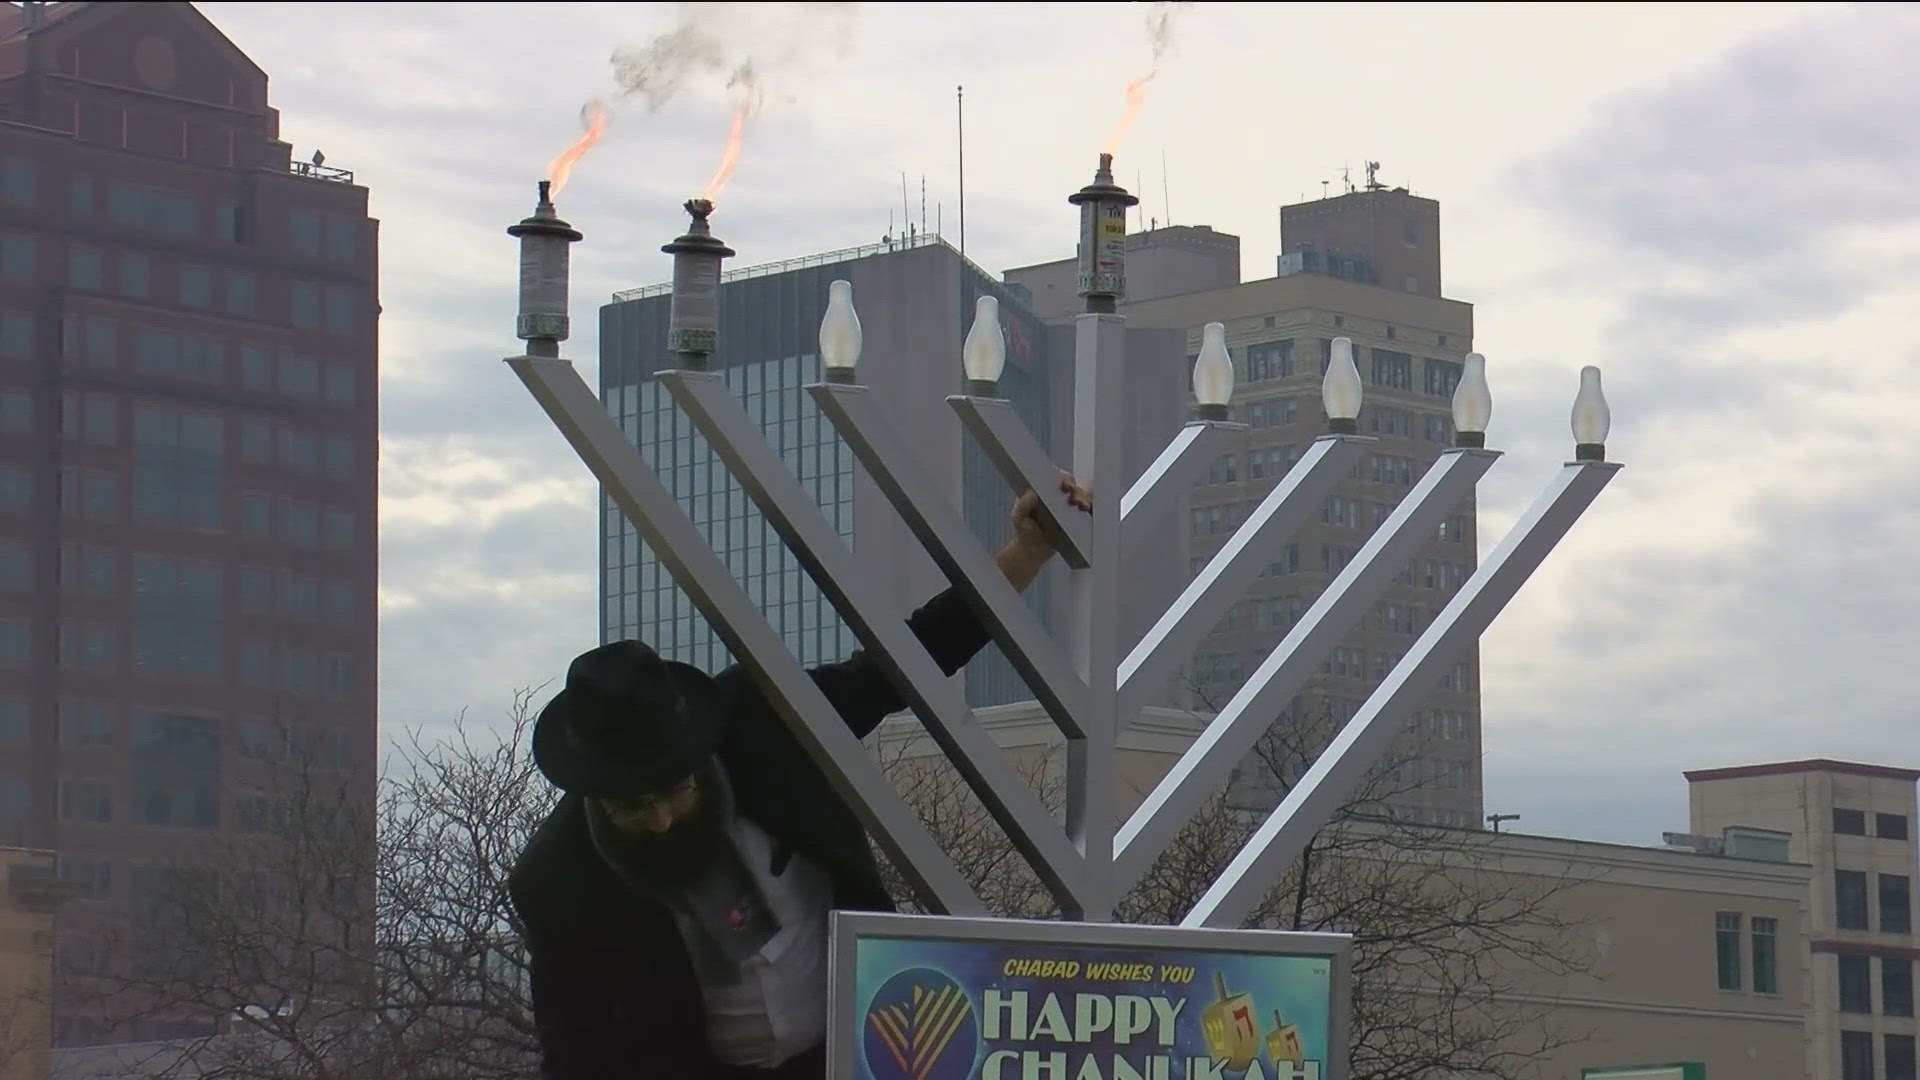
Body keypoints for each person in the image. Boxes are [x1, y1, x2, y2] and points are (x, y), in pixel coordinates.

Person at [509, 472, 1094, 1080]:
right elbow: (575, 1045)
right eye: (629, 808)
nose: (657, 821)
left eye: (671, 791)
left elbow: (900, 668)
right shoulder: (557, 880)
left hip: (861, 1045)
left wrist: (1028, 550)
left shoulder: (766, 721)